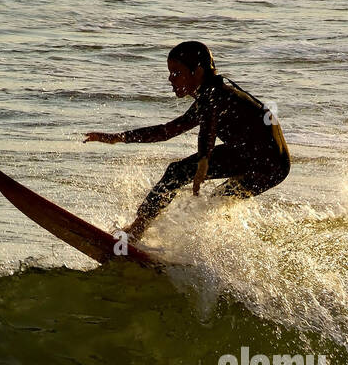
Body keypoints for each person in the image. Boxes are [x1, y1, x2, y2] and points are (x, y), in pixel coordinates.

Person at [84, 41, 291, 242]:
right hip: (275, 166)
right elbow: (167, 131)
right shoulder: (215, 94)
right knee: (217, 200)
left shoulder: (215, 96)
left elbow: (208, 128)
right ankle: (206, 247)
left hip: (261, 157)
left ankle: (136, 230)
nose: (170, 79)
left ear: (197, 72)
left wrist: (204, 159)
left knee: (177, 172)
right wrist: (119, 138)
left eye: (177, 73)